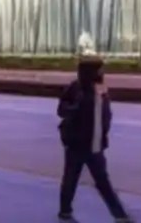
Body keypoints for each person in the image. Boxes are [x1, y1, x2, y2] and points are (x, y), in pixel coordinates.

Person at [57, 56, 131, 223]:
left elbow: (105, 114)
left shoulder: (100, 89)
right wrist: (76, 108)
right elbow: (61, 110)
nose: (102, 73)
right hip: (77, 144)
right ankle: (65, 210)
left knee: (102, 181)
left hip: (94, 144)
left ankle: (119, 214)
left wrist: (104, 132)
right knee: (71, 179)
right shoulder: (75, 88)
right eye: (99, 70)